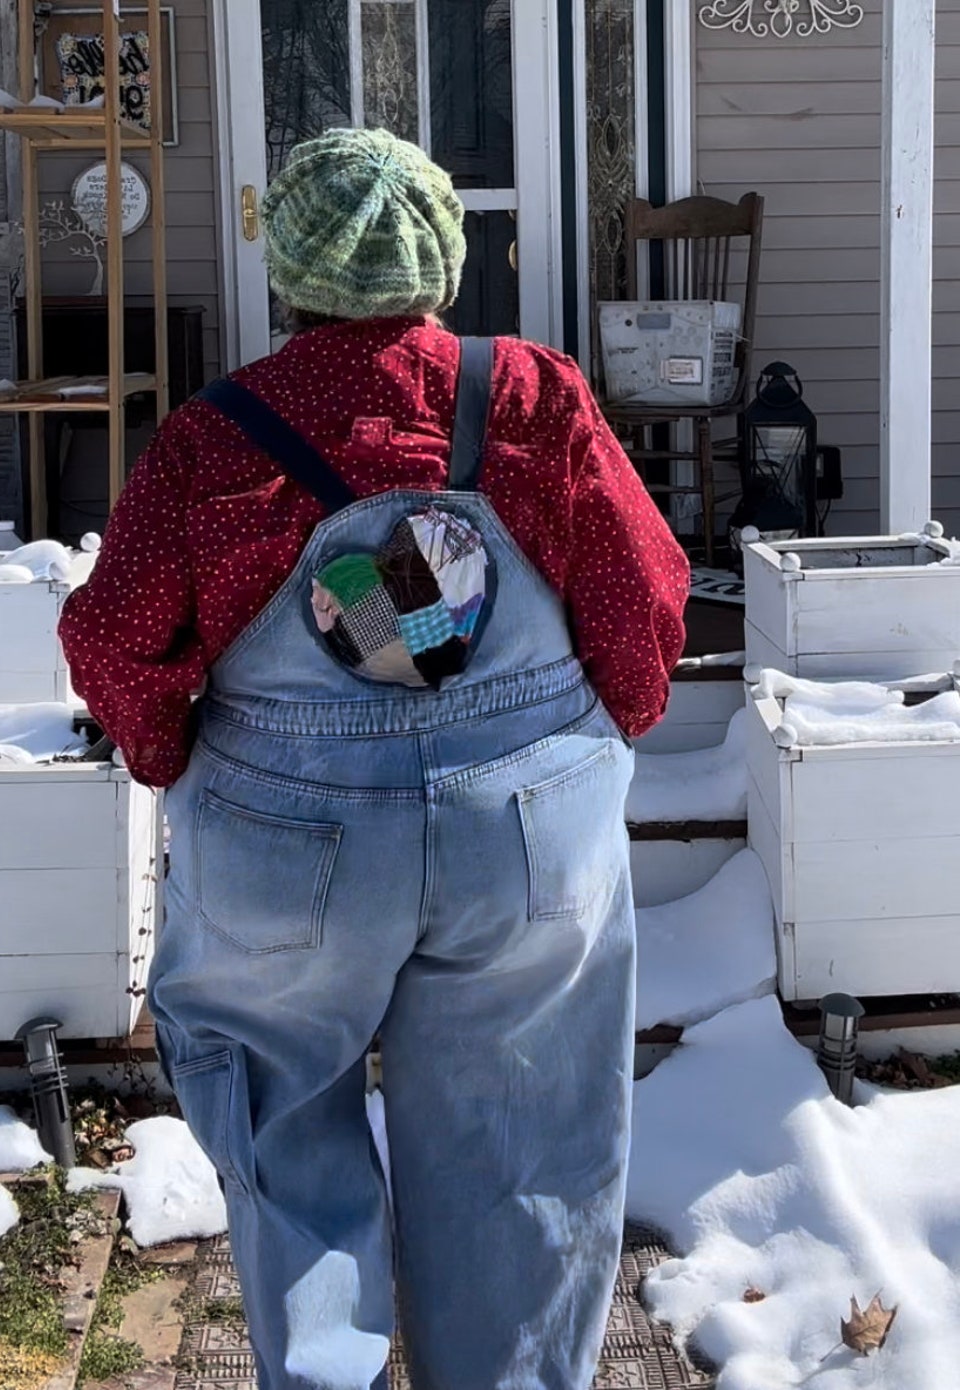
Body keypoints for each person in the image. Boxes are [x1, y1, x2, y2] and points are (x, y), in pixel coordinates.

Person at [59, 127, 689, 1390]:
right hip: (523, 838)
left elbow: (116, 640)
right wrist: (582, 740)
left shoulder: (210, 437)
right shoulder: (533, 395)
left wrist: (176, 745)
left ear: (289, 270)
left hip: (289, 851)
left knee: (286, 1135)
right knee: (522, 1149)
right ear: (442, 259)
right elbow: (647, 611)